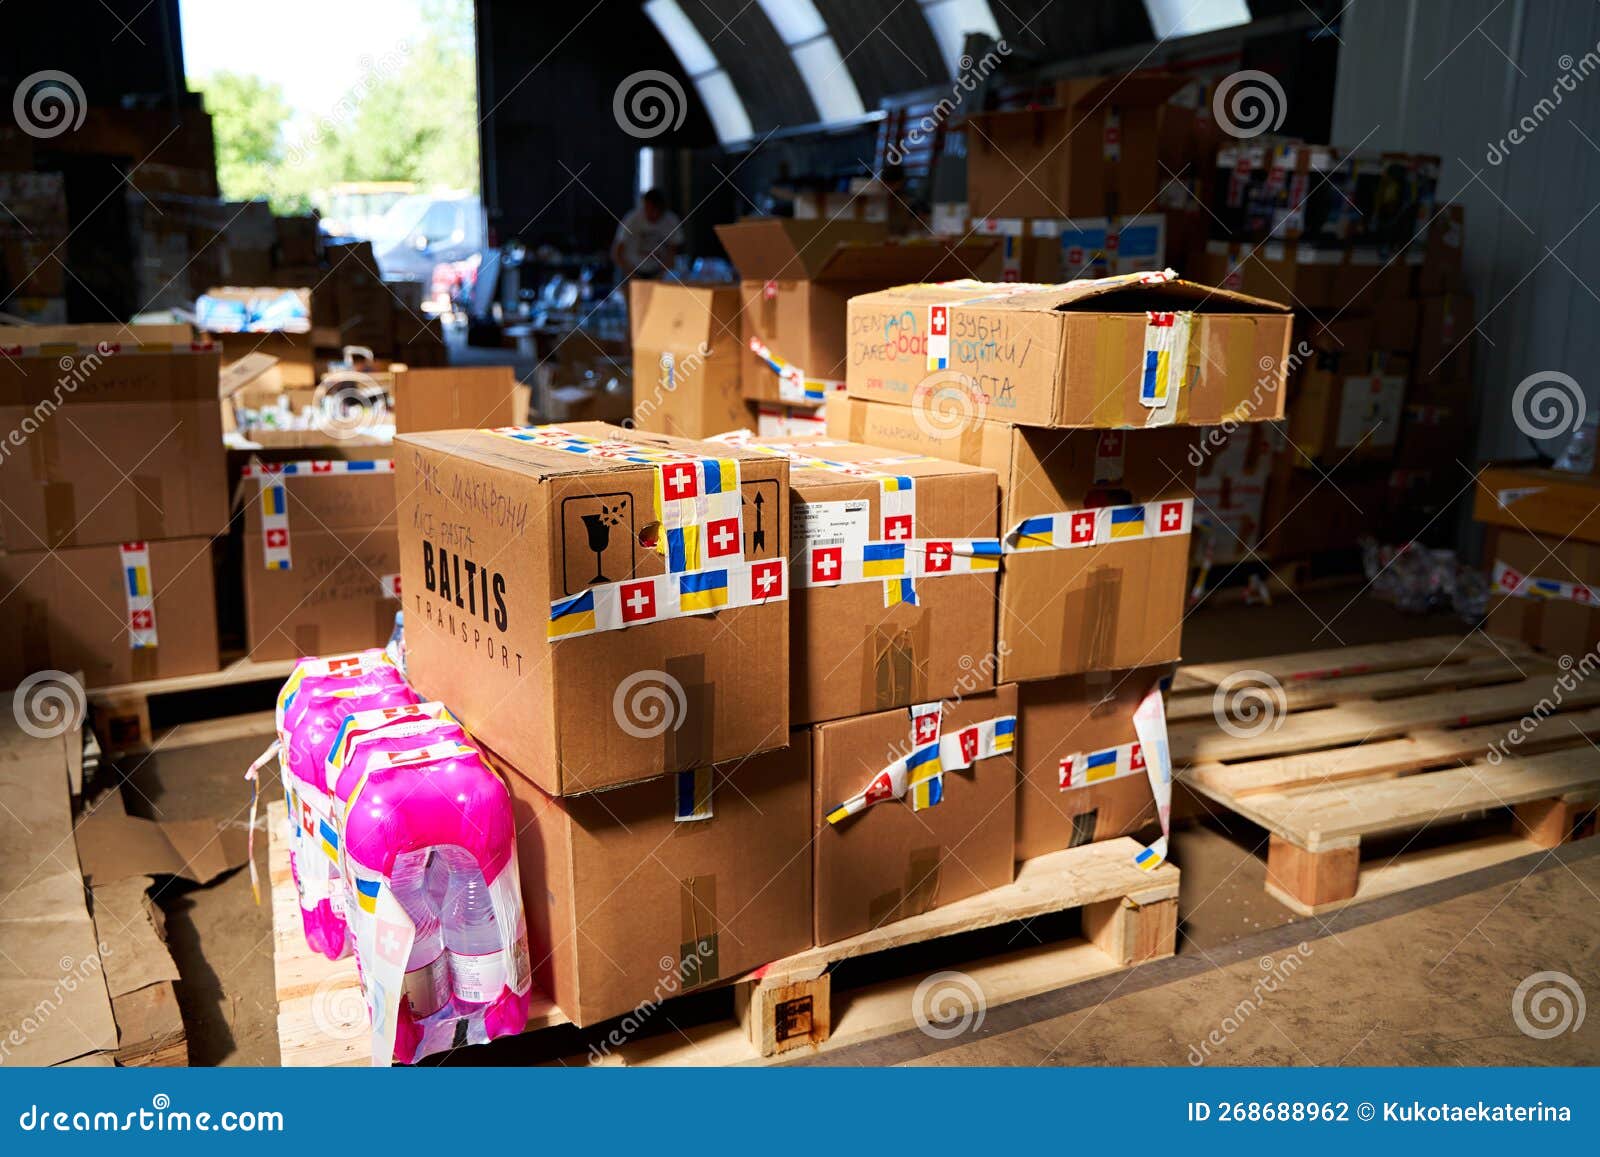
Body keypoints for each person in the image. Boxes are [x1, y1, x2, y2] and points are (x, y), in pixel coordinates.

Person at [612, 188, 682, 280]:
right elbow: (617, 252)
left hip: (657, 271)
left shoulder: (671, 220)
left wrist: (662, 272)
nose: (651, 214)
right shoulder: (632, 219)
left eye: (655, 210)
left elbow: (672, 252)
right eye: (648, 209)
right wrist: (630, 273)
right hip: (632, 269)